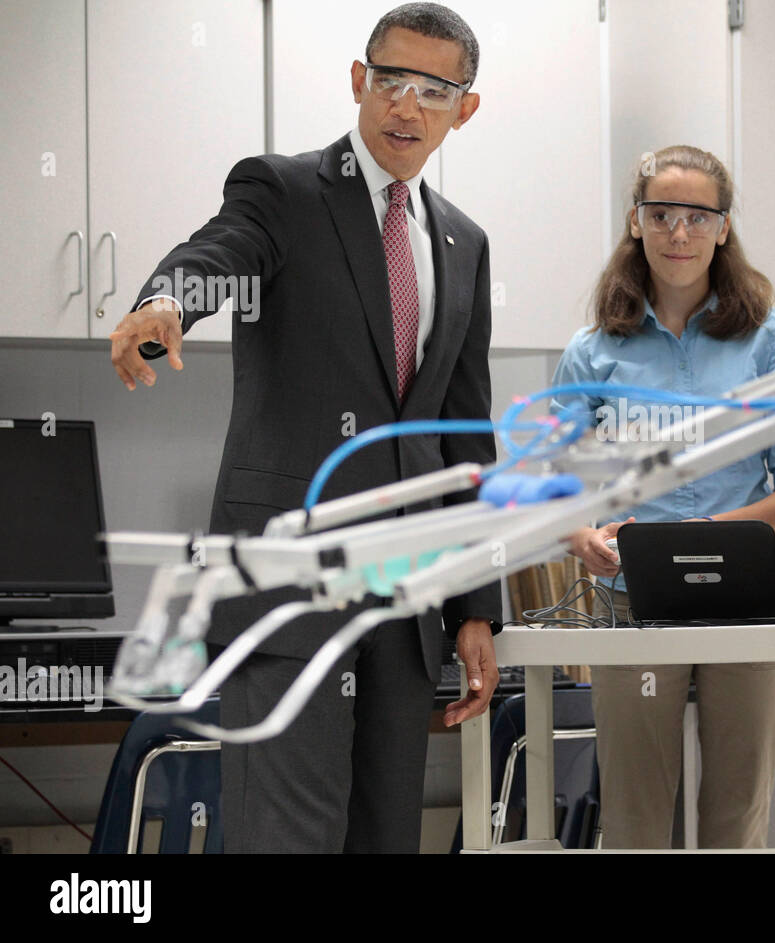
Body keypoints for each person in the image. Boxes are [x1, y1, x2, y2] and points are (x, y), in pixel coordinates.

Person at [106, 3, 501, 853]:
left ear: (464, 108)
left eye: (433, 90)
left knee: (385, 835)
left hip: (404, 605)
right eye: (390, 80)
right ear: (359, 82)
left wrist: (478, 605)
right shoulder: (283, 191)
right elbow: (218, 251)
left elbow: (465, 430)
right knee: (286, 835)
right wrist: (167, 302)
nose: (406, 105)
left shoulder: (464, 242)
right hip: (288, 591)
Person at [553, 145, 775, 849]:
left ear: (724, 227)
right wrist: (581, 532)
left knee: (737, 816)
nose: (679, 233)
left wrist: (709, 531)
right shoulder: (594, 350)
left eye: (697, 216)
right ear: (636, 223)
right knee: (635, 814)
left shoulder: (773, 341)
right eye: (662, 214)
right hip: (630, 596)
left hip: (745, 596)